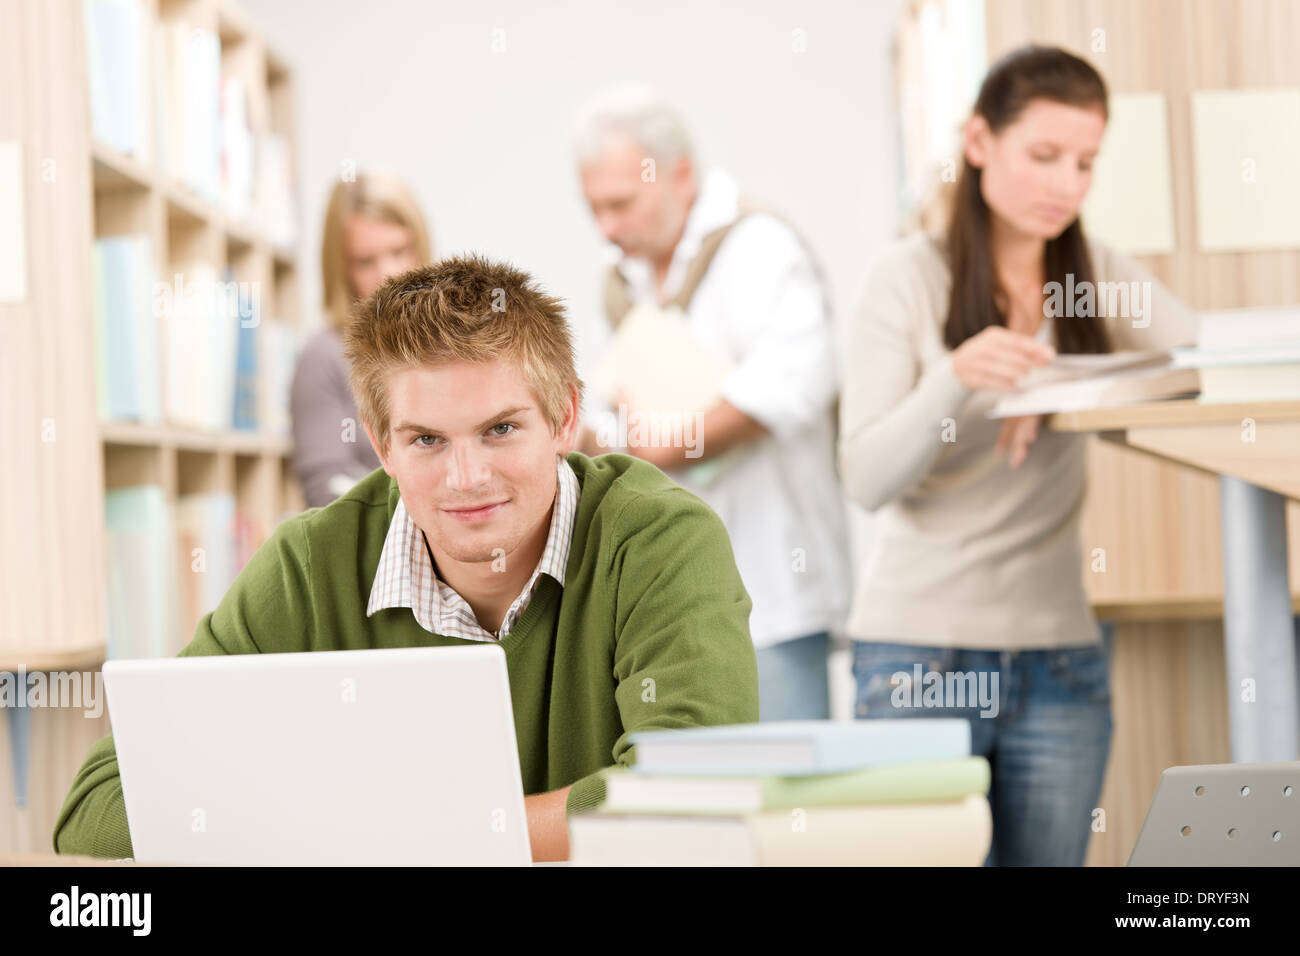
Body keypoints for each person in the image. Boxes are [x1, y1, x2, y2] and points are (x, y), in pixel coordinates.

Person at [54, 253, 759, 862]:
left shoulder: (660, 541)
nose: (467, 477)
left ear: (566, 418)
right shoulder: (311, 564)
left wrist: (404, 838)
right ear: (380, 444)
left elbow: (692, 795)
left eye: (501, 429)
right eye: (426, 440)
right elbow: (99, 808)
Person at [839, 45, 1199, 866]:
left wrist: (1068, 388)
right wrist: (956, 380)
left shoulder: (1093, 270)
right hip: (918, 656)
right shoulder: (906, 279)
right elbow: (865, 476)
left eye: (1085, 163)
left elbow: (1194, 371)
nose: (1066, 184)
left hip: (1058, 657)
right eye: (1043, 156)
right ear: (978, 143)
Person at [571, 86, 850, 722]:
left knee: (780, 805)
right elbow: (612, 405)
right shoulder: (620, 285)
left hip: (773, 596)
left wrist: (668, 445)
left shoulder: (762, 248)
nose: (606, 229)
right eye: (594, 209)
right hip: (668, 600)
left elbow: (795, 384)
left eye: (620, 204)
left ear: (681, 175)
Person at [290, 170, 432, 508]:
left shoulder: (453, 344)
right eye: (366, 261)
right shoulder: (323, 357)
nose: (389, 276)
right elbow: (328, 494)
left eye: (399, 251)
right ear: (342, 270)